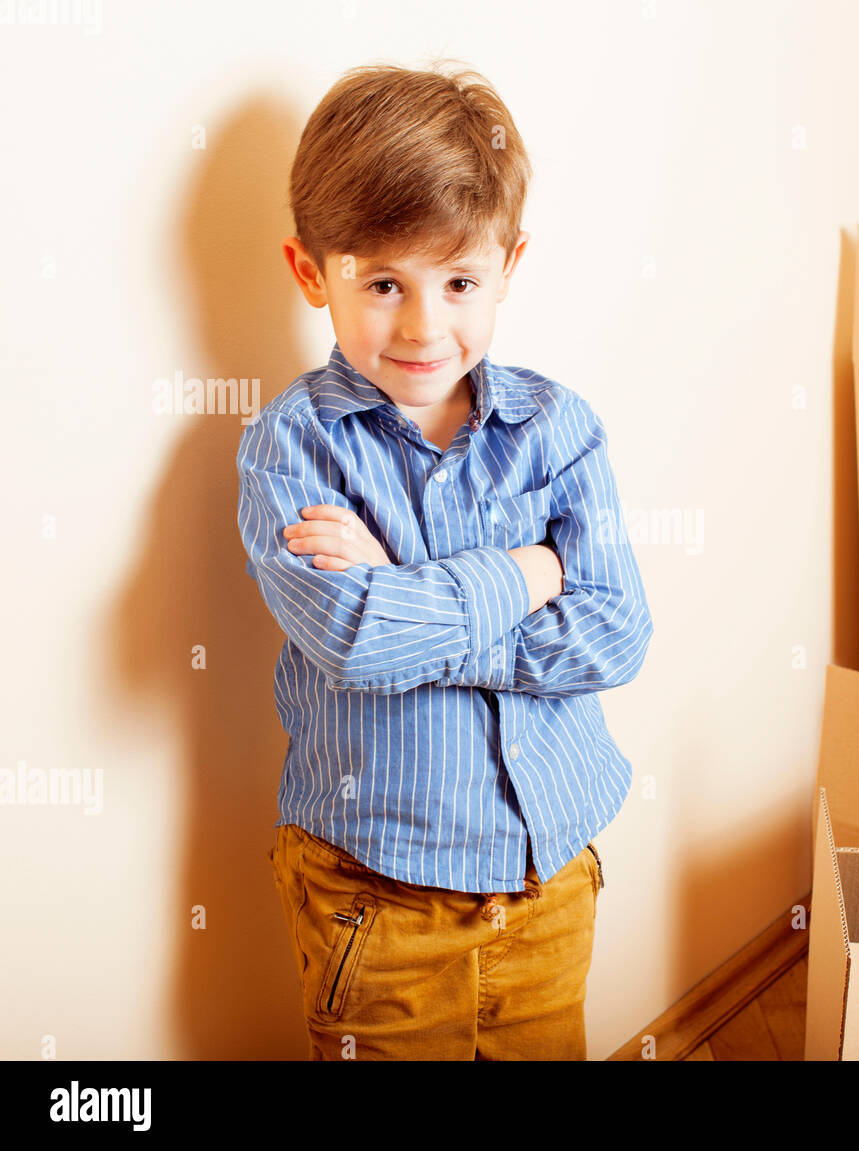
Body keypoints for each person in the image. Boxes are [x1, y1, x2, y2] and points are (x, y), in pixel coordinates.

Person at [234, 60, 653, 1060]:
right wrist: (526, 573)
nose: (424, 326)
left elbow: (616, 630)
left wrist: (412, 585)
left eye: (458, 281)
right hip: (377, 899)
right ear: (309, 272)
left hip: (545, 882)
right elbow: (362, 639)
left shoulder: (558, 430)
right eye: (383, 283)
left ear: (507, 265)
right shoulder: (292, 447)